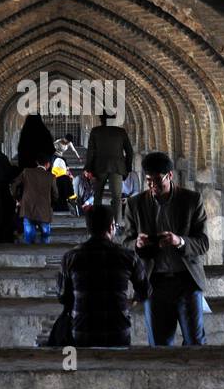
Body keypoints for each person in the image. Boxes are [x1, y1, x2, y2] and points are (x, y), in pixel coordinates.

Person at [123, 151, 209, 346]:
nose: (152, 186)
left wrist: (179, 241)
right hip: (154, 283)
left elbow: (203, 243)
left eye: (157, 180)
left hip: (186, 281)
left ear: (170, 176)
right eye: (148, 181)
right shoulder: (135, 204)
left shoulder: (191, 201)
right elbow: (125, 243)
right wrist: (137, 244)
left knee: (195, 342)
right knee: (159, 343)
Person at [57, 205, 150, 347]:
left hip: (82, 332)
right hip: (118, 332)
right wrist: (131, 302)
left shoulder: (71, 257)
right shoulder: (128, 256)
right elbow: (145, 290)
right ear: (111, 227)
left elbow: (63, 296)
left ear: (88, 228)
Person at [84, 113, 133, 225]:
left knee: (98, 195)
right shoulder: (121, 132)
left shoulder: (95, 131)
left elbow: (90, 152)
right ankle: (117, 223)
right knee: (117, 197)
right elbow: (129, 152)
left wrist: (88, 168)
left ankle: (96, 222)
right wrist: (127, 168)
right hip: (117, 167)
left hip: (99, 167)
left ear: (101, 119)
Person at [10, 157, 59, 244]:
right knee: (45, 237)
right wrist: (51, 204)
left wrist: (18, 199)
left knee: (29, 238)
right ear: (47, 164)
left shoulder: (26, 172)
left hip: (28, 209)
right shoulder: (51, 176)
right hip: (44, 211)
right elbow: (55, 195)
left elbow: (14, 185)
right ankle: (44, 255)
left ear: (37, 163)